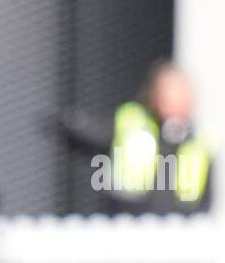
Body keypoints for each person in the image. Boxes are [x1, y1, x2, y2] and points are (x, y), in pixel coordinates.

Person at [56, 60, 214, 214]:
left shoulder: (200, 144)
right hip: (131, 224)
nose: (170, 101)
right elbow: (94, 135)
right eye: (165, 93)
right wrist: (69, 123)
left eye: (176, 94)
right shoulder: (133, 125)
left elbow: (205, 201)